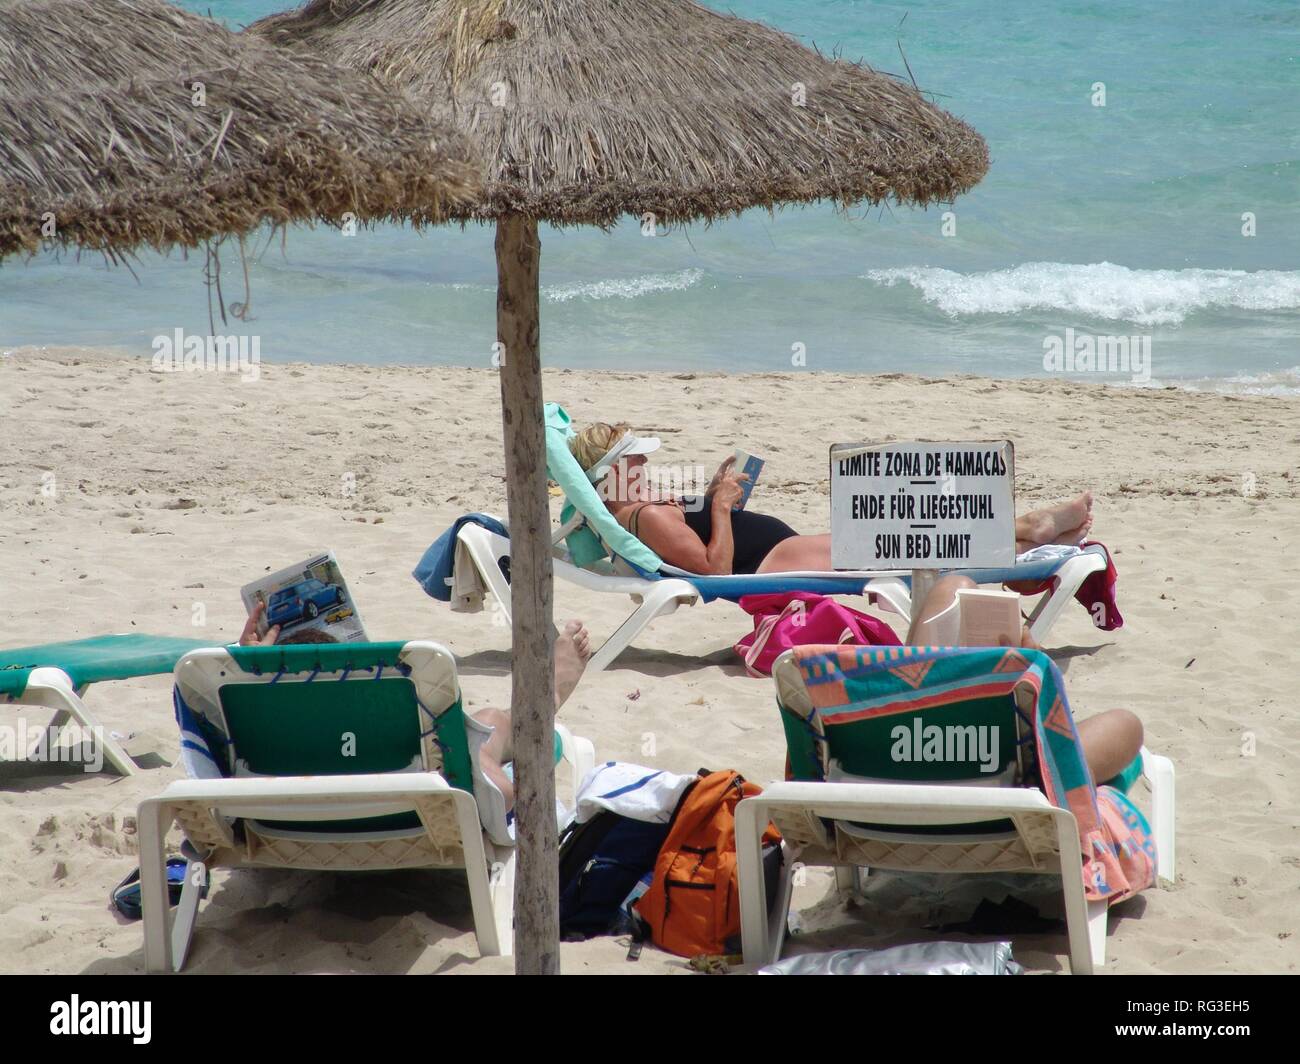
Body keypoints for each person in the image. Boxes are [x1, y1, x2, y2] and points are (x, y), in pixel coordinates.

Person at [567, 421, 1094, 576]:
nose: (645, 465)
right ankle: (1025, 532)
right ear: (612, 473)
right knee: (900, 546)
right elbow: (715, 570)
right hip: (771, 562)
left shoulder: (639, 507)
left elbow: (700, 536)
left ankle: (1022, 534)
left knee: (899, 542)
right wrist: (722, 508)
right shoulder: (644, 517)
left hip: (775, 551)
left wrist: (714, 495)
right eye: (635, 460)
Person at [238, 603, 592, 811]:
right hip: (408, 816)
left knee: (482, 725)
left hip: (281, 823)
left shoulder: (249, 732)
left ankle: (514, 723)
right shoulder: (386, 757)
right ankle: (534, 711)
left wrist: (247, 670)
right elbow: (500, 797)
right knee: (482, 728)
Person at [906, 572, 1142, 785]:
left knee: (954, 586)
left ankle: (931, 715)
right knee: (1126, 726)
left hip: (908, 748)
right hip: (1005, 769)